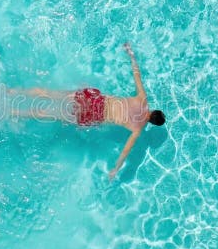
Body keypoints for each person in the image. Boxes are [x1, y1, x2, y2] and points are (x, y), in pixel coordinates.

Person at [10, 42, 165, 179]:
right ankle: (16, 113)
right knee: (51, 114)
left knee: (51, 94)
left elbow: (136, 74)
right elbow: (125, 152)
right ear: (152, 123)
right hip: (95, 116)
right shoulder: (137, 129)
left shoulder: (142, 99)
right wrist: (115, 170)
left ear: (154, 111)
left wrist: (131, 54)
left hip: (95, 100)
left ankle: (13, 92)